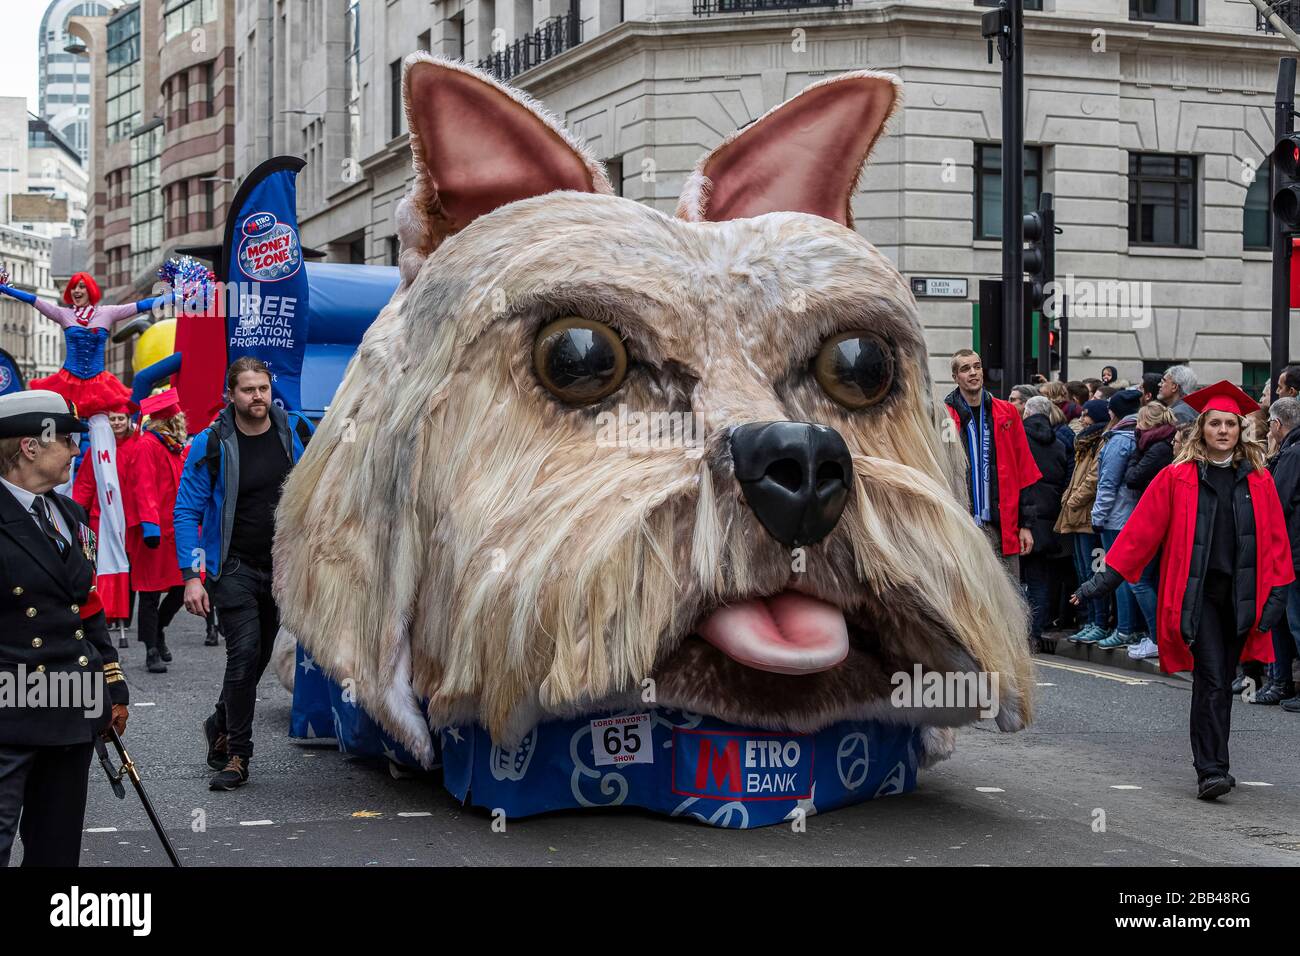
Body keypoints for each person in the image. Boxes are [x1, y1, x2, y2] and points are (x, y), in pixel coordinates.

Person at [1074, 381, 1292, 800]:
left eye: (1230, 423)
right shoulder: (1177, 478)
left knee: (1225, 679)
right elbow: (1138, 536)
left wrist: (1276, 597)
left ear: (1240, 429)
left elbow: (1276, 543)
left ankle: (1218, 763)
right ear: (1202, 429)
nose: (1224, 430)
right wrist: (1098, 584)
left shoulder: (1259, 480)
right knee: (1210, 677)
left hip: (1241, 596)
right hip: (1198, 598)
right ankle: (1210, 769)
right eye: (1215, 423)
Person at [0, 390, 129, 866]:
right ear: (30, 447)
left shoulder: (70, 516)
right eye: (67, 441)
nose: (78, 450)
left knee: (56, 851)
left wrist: (112, 683)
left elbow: (87, 608)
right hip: (9, 709)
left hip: (71, 707)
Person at [174, 358, 313, 790]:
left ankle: (219, 721)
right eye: (248, 390)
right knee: (244, 653)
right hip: (231, 566)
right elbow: (186, 511)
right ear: (229, 395)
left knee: (256, 659)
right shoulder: (211, 443)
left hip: (280, 568)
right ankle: (237, 756)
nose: (257, 397)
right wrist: (192, 575)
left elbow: (313, 493)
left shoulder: (293, 431)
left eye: (263, 389)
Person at [944, 350, 1041, 572]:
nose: (973, 373)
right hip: (963, 524)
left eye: (977, 366)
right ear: (955, 377)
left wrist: (1026, 525)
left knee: (1011, 593)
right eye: (965, 369)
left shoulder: (1006, 412)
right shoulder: (945, 416)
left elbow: (1024, 470)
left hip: (1003, 524)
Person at [131, 390, 188, 674]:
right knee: (150, 591)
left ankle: (160, 630)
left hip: (175, 531)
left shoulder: (173, 447)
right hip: (153, 531)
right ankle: (150, 649)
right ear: (169, 419)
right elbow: (144, 486)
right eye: (178, 417)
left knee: (182, 587)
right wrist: (150, 525)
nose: (182, 421)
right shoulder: (147, 446)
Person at [1086, 388, 1145, 647]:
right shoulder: (1137, 435)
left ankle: (1124, 628)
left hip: (1116, 518)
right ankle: (1129, 628)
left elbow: (1107, 484)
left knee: (1117, 576)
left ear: (1113, 412)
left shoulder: (1119, 439)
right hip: (1131, 516)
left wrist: (1097, 517)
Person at [1118, 402, 1177, 659]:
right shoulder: (1154, 445)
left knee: (1139, 579)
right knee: (1146, 579)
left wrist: (1135, 454)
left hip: (1155, 520)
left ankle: (1157, 638)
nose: (1137, 427)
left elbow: (1132, 477)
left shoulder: (1157, 448)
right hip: (1152, 517)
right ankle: (1155, 636)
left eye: (1140, 422)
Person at [1056, 399, 1110, 643]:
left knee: (1094, 572)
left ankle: (1099, 622)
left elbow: (1093, 478)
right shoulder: (1084, 442)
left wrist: (1074, 499)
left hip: (1089, 517)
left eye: (1087, 415)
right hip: (1076, 514)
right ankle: (1088, 620)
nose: (1082, 419)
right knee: (1081, 571)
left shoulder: (1099, 442)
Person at [1020, 396, 1070, 653]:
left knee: (1015, 579)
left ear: (1027, 412)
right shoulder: (1060, 444)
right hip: (1049, 518)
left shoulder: (1018, 439)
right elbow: (1065, 481)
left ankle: (1018, 633)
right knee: (1040, 581)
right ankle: (1035, 634)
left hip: (1022, 518)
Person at [1263, 396, 1300, 709]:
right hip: (1293, 550)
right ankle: (1281, 681)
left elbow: (1278, 501)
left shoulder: (1292, 455)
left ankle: (1283, 683)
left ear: (1276, 424)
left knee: (1293, 620)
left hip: (1292, 551)